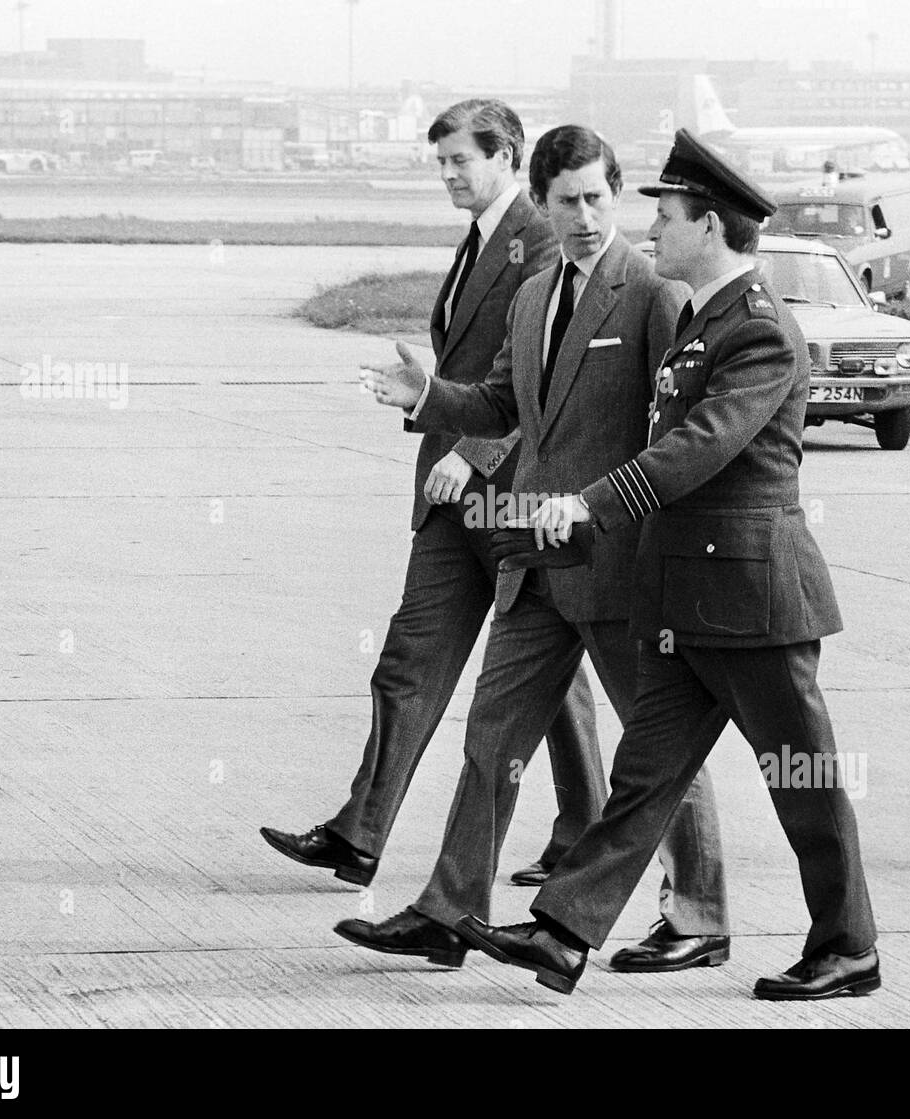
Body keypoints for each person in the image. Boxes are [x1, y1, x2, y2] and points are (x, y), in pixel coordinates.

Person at [451, 128, 880, 1001]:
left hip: (756, 603)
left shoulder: (759, 331)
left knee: (803, 780)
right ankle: (564, 932)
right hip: (688, 599)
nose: (650, 233)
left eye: (667, 216)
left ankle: (848, 947)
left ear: (712, 228)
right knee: (643, 783)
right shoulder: (701, 320)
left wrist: (590, 502)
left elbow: (696, 447)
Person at [350, 124, 731, 972]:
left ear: (616, 193)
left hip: (617, 566)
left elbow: (674, 440)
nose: (586, 217)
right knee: (491, 741)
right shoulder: (532, 298)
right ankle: (448, 912)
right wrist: (430, 396)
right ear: (546, 202)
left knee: (657, 744)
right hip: (533, 561)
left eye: (598, 198)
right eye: (568, 202)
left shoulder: (652, 293)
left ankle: (699, 914)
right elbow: (501, 404)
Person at [259, 100, 602, 892]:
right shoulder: (483, 239)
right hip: (454, 504)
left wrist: (477, 452)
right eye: (441, 163)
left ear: (506, 154)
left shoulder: (543, 236)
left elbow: (552, 376)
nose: (448, 175)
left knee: (550, 681)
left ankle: (590, 833)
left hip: (512, 496)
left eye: (460, 161)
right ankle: (361, 831)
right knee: (409, 662)